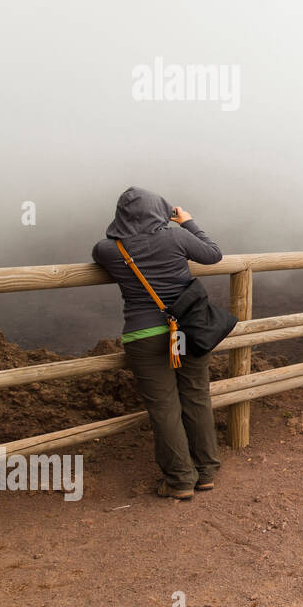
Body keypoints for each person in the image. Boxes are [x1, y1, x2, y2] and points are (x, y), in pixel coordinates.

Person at [91, 187, 223, 500]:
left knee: (164, 407)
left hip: (144, 336)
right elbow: (213, 254)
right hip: (186, 330)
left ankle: (180, 480)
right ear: (161, 210)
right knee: (196, 396)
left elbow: (100, 250)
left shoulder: (109, 249)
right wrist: (186, 222)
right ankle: (206, 472)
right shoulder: (175, 238)